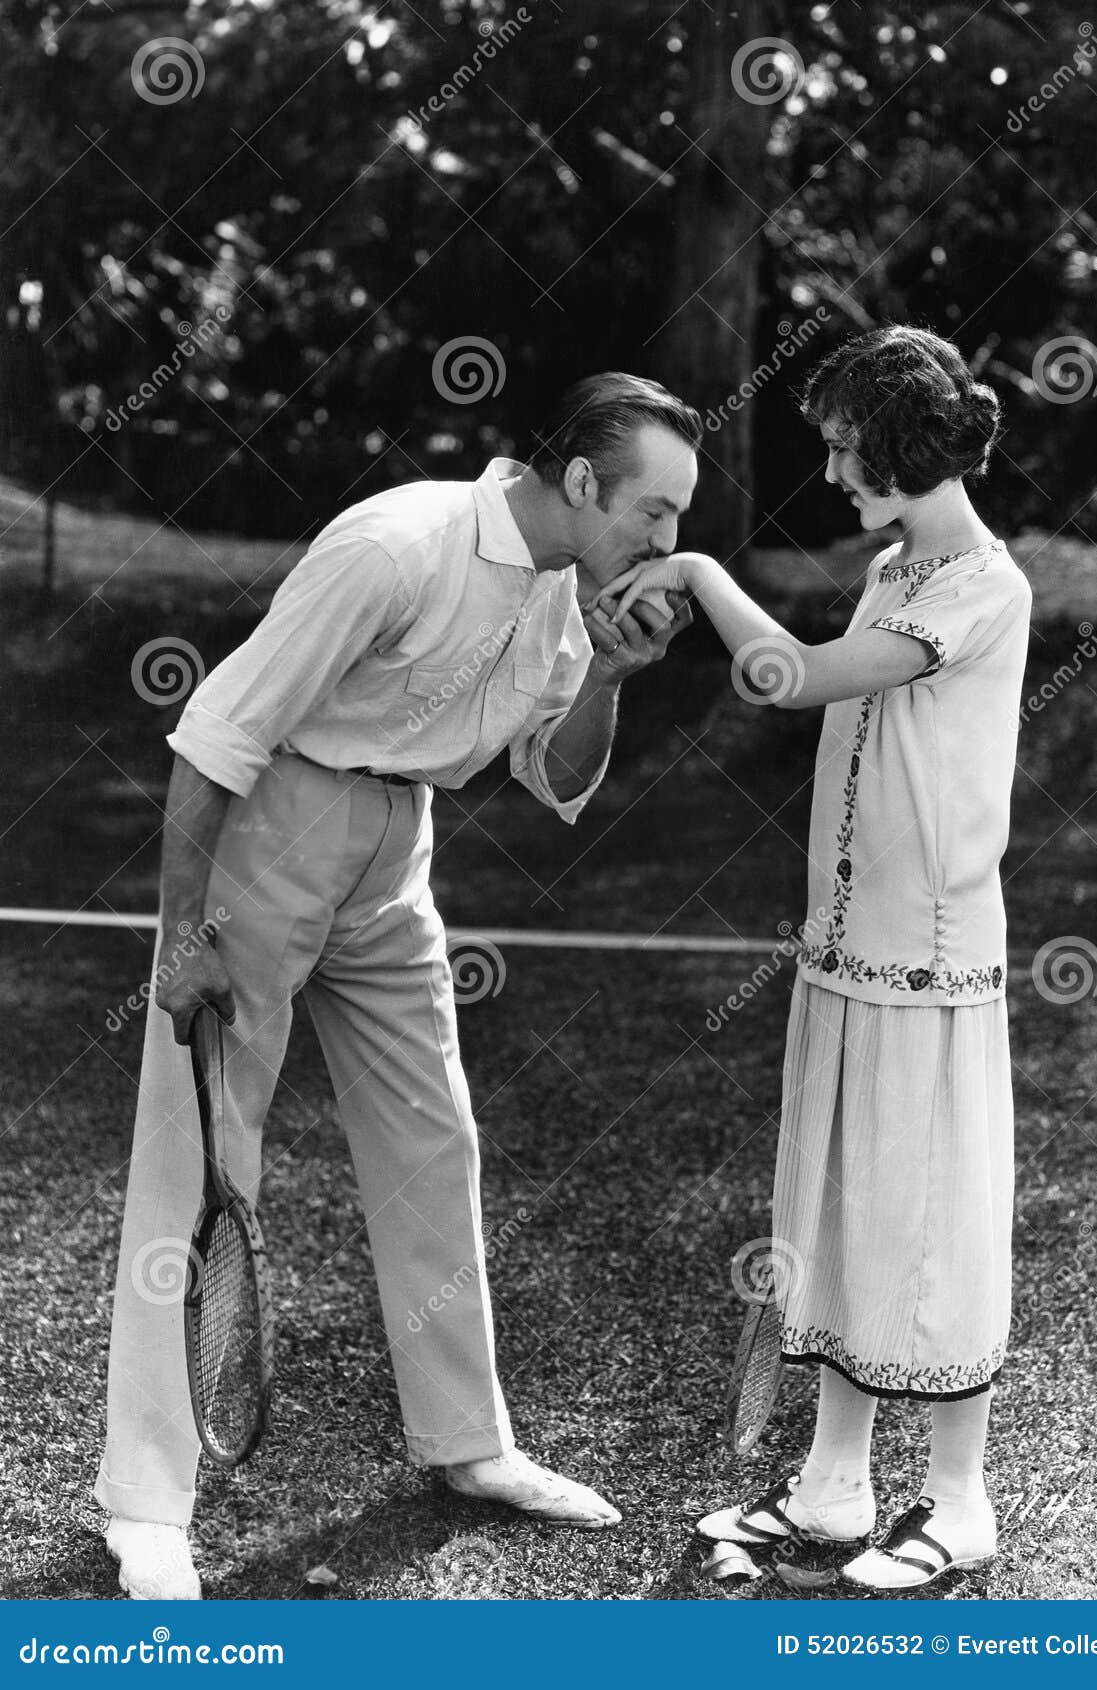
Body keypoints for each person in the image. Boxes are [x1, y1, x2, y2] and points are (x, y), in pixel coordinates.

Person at [96, 372, 700, 1600]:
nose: (668, 543)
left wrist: (608, 681)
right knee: (198, 1155)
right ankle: (146, 1507)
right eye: (654, 510)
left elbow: (553, 776)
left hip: (395, 852)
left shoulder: (558, 595)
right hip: (273, 827)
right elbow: (217, 730)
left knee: (436, 1140)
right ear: (582, 483)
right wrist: (180, 934)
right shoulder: (394, 543)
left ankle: (468, 1445)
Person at [603, 326, 1032, 1591]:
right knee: (836, 1210)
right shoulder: (899, 563)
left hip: (929, 964)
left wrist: (690, 564)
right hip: (845, 953)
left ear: (903, 448)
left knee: (935, 1217)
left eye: (847, 449)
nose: (835, 474)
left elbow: (785, 676)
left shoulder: (979, 586)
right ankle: (833, 1486)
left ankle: (958, 1500)